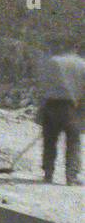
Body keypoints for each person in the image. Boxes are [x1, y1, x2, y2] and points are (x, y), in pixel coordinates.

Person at [36, 53, 85, 185]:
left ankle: (48, 174)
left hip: (50, 105)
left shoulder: (52, 61)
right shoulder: (82, 65)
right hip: (71, 107)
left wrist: (40, 109)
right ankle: (71, 177)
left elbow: (42, 85)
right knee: (73, 142)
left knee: (49, 141)